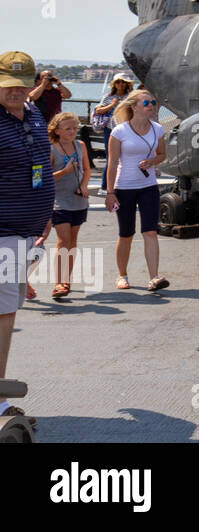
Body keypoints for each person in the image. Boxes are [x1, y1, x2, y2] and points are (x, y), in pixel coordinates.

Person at [0, 51, 54, 420]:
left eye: (23, 85)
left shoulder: (34, 113)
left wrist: (44, 213)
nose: (16, 92)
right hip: (2, 233)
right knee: (3, 314)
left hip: (25, 233)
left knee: (6, 313)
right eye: (8, 85)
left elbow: (39, 166)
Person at [105, 89, 169, 292]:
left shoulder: (158, 129)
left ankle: (154, 277)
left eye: (153, 102)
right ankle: (122, 275)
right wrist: (110, 192)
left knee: (150, 231)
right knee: (126, 233)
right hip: (124, 187)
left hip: (148, 186)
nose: (151, 105)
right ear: (133, 107)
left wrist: (152, 161)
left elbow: (162, 155)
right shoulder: (119, 132)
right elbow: (112, 163)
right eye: (146, 103)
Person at [47, 112, 90, 300]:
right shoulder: (51, 148)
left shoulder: (80, 146)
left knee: (72, 240)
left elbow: (87, 169)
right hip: (59, 199)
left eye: (75, 128)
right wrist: (64, 171)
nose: (72, 131)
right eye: (67, 129)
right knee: (62, 239)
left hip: (78, 199)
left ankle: (67, 280)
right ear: (57, 131)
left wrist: (84, 185)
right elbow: (43, 177)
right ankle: (58, 281)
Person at [92, 74, 133, 191]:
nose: (121, 84)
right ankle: (105, 186)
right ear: (114, 84)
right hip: (110, 130)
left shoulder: (130, 97)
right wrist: (112, 104)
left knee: (126, 156)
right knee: (111, 157)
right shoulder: (108, 97)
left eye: (123, 82)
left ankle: (122, 183)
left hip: (127, 129)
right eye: (118, 82)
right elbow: (98, 110)